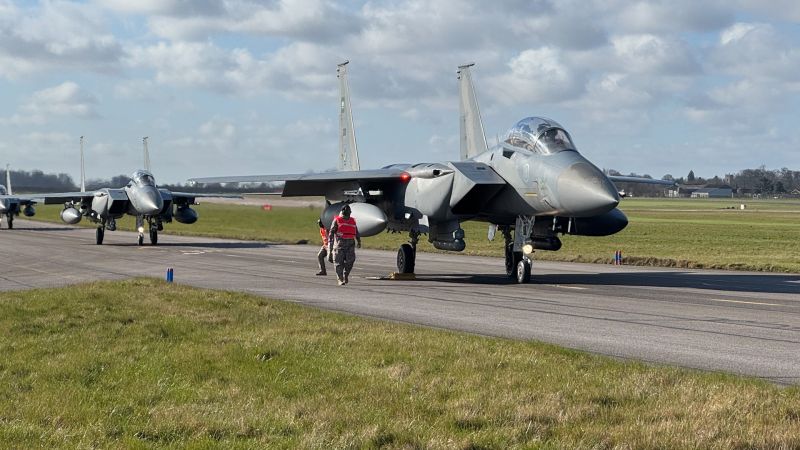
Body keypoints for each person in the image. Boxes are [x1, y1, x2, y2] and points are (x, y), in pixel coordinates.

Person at [327, 204, 361, 286]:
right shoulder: (337, 220)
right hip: (339, 245)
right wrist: (330, 248)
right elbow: (331, 233)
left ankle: (346, 275)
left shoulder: (353, 221)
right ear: (342, 212)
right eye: (345, 210)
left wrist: (359, 241)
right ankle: (340, 279)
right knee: (338, 263)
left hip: (350, 245)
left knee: (350, 261)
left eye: (348, 210)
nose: (347, 211)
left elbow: (356, 232)